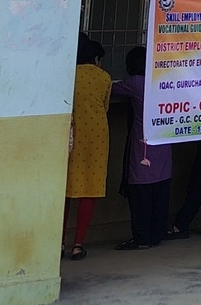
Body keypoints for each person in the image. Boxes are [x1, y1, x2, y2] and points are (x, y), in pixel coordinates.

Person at [112, 46, 170, 249]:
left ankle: (141, 238)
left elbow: (110, 89)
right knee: (161, 190)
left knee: (140, 193)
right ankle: (156, 235)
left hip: (142, 144)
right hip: (164, 141)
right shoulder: (163, 80)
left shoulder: (135, 83)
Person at [65, 34, 110, 261]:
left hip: (69, 136)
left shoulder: (67, 75)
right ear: (95, 59)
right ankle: (78, 244)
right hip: (96, 138)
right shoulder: (105, 77)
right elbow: (106, 106)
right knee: (89, 191)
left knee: (64, 191)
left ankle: (58, 242)